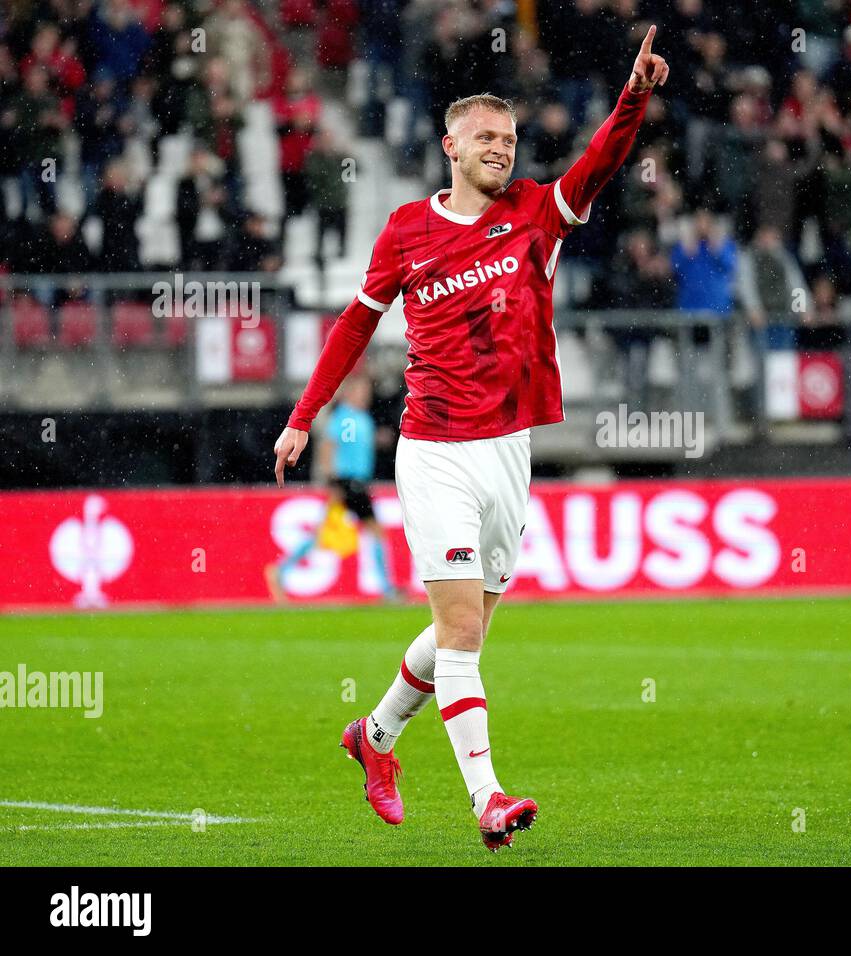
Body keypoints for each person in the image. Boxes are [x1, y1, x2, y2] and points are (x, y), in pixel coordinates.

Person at [271, 26, 668, 851]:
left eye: (511, 139)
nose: (501, 149)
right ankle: (487, 799)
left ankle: (374, 738)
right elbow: (354, 325)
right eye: (486, 138)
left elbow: (596, 164)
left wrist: (632, 98)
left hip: (507, 451)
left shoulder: (536, 215)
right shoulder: (407, 231)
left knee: (468, 630)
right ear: (451, 146)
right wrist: (304, 415)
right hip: (435, 451)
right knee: (459, 635)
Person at [264, 376, 398, 603]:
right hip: (347, 483)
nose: (364, 396)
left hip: (356, 482)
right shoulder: (344, 417)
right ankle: (387, 590)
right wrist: (332, 480)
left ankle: (281, 570)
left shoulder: (361, 418)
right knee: (374, 532)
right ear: (349, 393)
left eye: (366, 392)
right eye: (360, 392)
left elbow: (355, 446)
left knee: (324, 533)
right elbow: (328, 447)